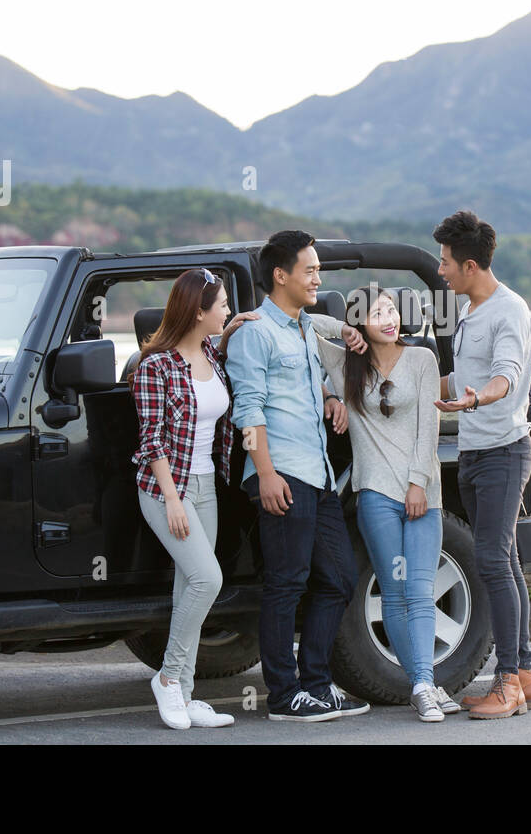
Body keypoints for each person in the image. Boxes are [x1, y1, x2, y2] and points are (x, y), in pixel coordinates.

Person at [224, 230, 373, 722]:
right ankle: (284, 696)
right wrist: (265, 473)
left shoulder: (306, 328)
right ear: (280, 275)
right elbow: (248, 411)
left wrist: (330, 398)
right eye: (309, 271)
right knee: (287, 583)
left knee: (339, 579)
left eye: (318, 271)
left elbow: (305, 381)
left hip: (318, 473)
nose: (317, 279)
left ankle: (317, 685)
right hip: (282, 472)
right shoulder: (255, 333)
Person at [305, 285, 459, 722]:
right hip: (375, 494)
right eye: (377, 313)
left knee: (420, 591)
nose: (389, 319)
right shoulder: (343, 365)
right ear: (360, 323)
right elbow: (298, 322)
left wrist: (417, 484)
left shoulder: (422, 359)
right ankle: (424, 686)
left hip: (422, 494)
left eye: (391, 309)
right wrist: (342, 330)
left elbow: (429, 428)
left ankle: (423, 683)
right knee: (394, 591)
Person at [132, 267, 256, 730]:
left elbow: (212, 386)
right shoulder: (155, 366)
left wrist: (231, 331)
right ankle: (167, 678)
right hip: (168, 489)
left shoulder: (209, 352)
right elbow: (151, 440)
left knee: (189, 588)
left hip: (206, 485)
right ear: (198, 311)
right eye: (222, 305)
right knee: (208, 580)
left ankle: (184, 695)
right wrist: (172, 499)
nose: (227, 310)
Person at [432, 210, 531, 719]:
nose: (440, 270)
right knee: (507, 561)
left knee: (493, 563)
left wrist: (478, 400)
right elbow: (461, 378)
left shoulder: (509, 310)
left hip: (503, 451)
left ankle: (507, 682)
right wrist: (407, 385)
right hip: (473, 453)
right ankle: (525, 676)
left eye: (445, 262)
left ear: (470, 265)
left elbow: (505, 375)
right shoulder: (470, 311)